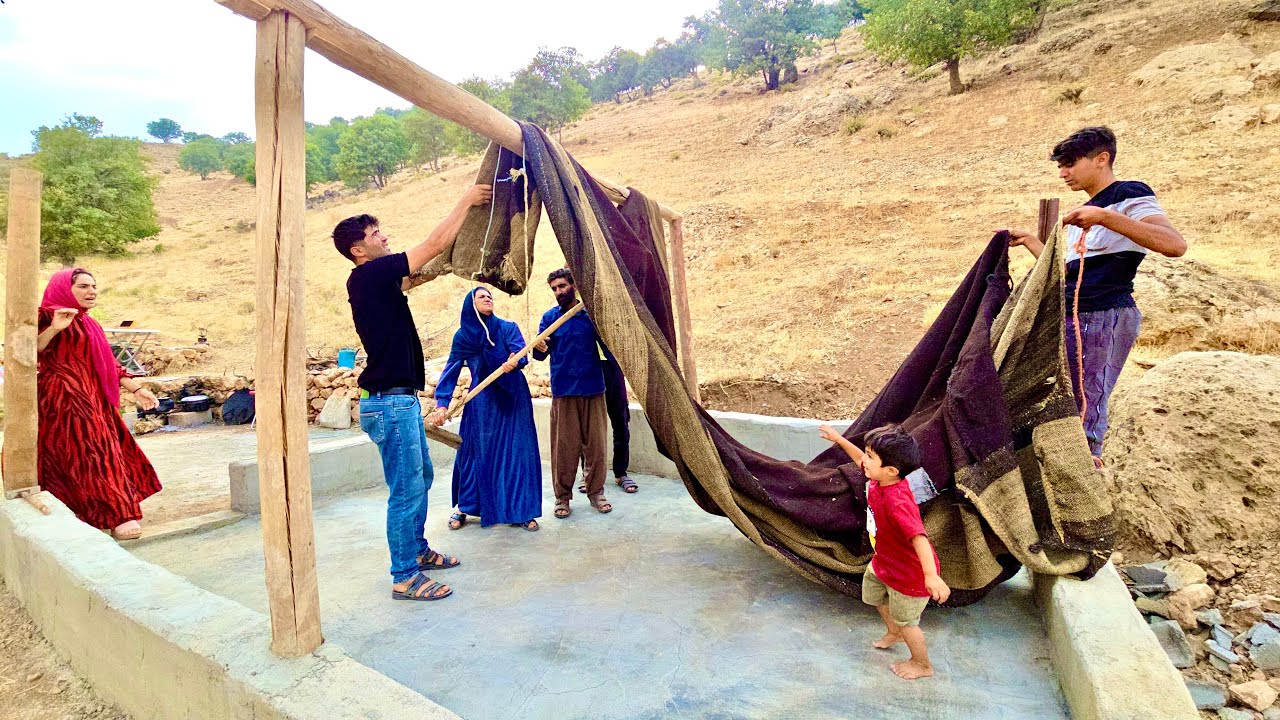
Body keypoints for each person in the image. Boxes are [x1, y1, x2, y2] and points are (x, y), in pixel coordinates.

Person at [333, 182, 492, 602]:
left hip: (397, 400)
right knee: (406, 489)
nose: (384, 237)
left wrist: (452, 262)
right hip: (388, 402)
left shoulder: (376, 282)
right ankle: (404, 575)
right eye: (375, 234)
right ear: (358, 250)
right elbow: (434, 244)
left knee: (420, 477)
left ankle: (417, 551)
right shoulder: (369, 274)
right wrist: (467, 200)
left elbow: (419, 273)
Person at [1006, 126, 1185, 466]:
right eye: (1060, 166)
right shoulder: (1087, 209)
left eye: (1070, 163)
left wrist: (1105, 217)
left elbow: (1174, 245)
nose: (1063, 173)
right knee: (1066, 397)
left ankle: (1087, 471)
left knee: (1087, 401)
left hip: (1103, 314)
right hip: (1075, 314)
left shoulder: (1129, 193)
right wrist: (1030, 240)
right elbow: (1068, 274)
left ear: (1102, 159)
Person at [34, 268, 162, 541]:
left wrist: (137, 389)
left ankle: (115, 512)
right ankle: (113, 515)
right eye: (83, 286)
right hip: (60, 397)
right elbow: (28, 351)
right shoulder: (44, 316)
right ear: (64, 288)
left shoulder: (90, 323)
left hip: (93, 397)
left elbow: (108, 364)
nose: (91, 291)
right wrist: (54, 328)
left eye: (93, 286)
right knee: (80, 454)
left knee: (102, 451)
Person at [818, 423, 950, 681]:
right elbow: (859, 459)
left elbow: (920, 538)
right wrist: (839, 439)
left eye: (870, 457)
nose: (864, 461)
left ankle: (922, 664)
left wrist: (931, 576)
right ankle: (894, 632)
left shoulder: (898, 501)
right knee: (874, 596)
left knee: (908, 622)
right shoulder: (878, 479)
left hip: (909, 575)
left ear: (891, 470)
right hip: (884, 563)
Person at [428, 287, 542, 532]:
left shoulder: (507, 328)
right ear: (471, 304)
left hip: (513, 399)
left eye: (490, 296)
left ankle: (522, 511)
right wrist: (442, 404)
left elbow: (520, 352)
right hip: (482, 401)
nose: (488, 298)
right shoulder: (463, 337)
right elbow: (451, 369)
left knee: (516, 453)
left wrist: (515, 360)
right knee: (474, 452)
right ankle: (465, 506)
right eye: (482, 296)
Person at [532, 268, 612, 519]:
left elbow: (609, 348)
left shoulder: (591, 315)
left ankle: (596, 493)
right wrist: (539, 346)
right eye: (554, 288)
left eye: (562, 286)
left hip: (593, 388)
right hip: (564, 390)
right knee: (564, 448)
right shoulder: (549, 318)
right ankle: (562, 497)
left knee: (596, 447)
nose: (558, 291)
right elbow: (539, 354)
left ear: (573, 285)